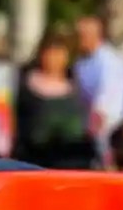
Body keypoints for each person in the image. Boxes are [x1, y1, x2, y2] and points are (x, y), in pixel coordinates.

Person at [12, 29, 94, 169]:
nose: (53, 58)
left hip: (72, 162)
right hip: (33, 161)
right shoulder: (24, 83)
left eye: (59, 53)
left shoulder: (78, 86)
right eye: (50, 52)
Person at [73, 15, 123, 166]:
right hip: (88, 129)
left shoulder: (110, 62)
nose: (79, 40)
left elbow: (105, 102)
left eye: (82, 35)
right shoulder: (80, 62)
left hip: (110, 132)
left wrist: (92, 132)